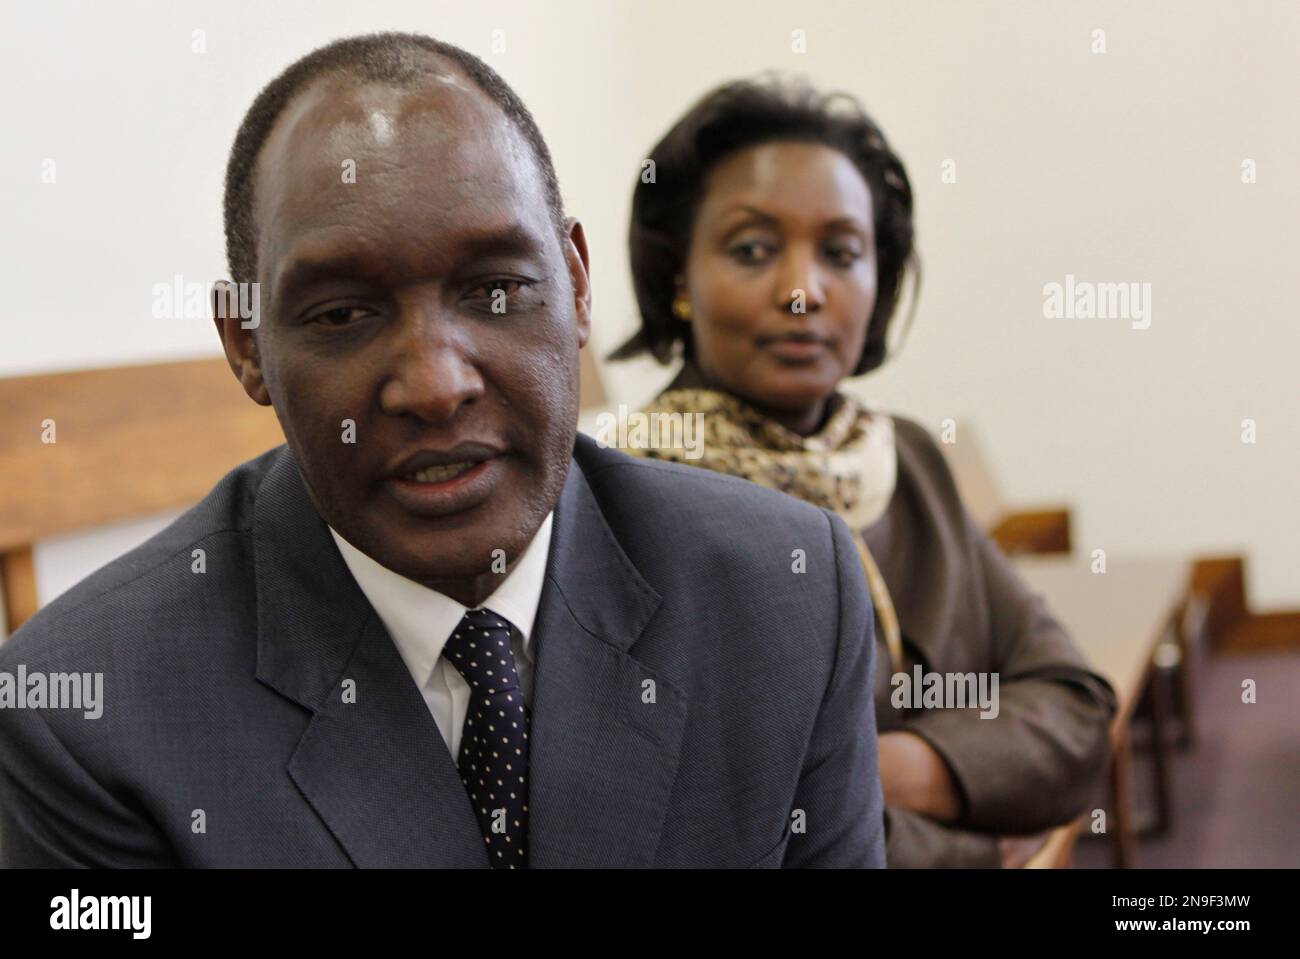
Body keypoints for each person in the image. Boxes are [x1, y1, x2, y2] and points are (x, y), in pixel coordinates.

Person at [0, 36, 885, 868]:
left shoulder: (789, 593)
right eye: (343, 312)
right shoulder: (85, 712)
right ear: (246, 343)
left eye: (497, 288)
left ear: (576, 286)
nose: (433, 384)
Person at [613, 77, 1118, 867]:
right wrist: (983, 836)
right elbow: (734, 823)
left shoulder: (906, 458)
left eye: (842, 253)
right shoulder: (635, 501)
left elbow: (1075, 708)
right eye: (752, 249)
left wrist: (883, 772)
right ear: (681, 280)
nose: (803, 292)